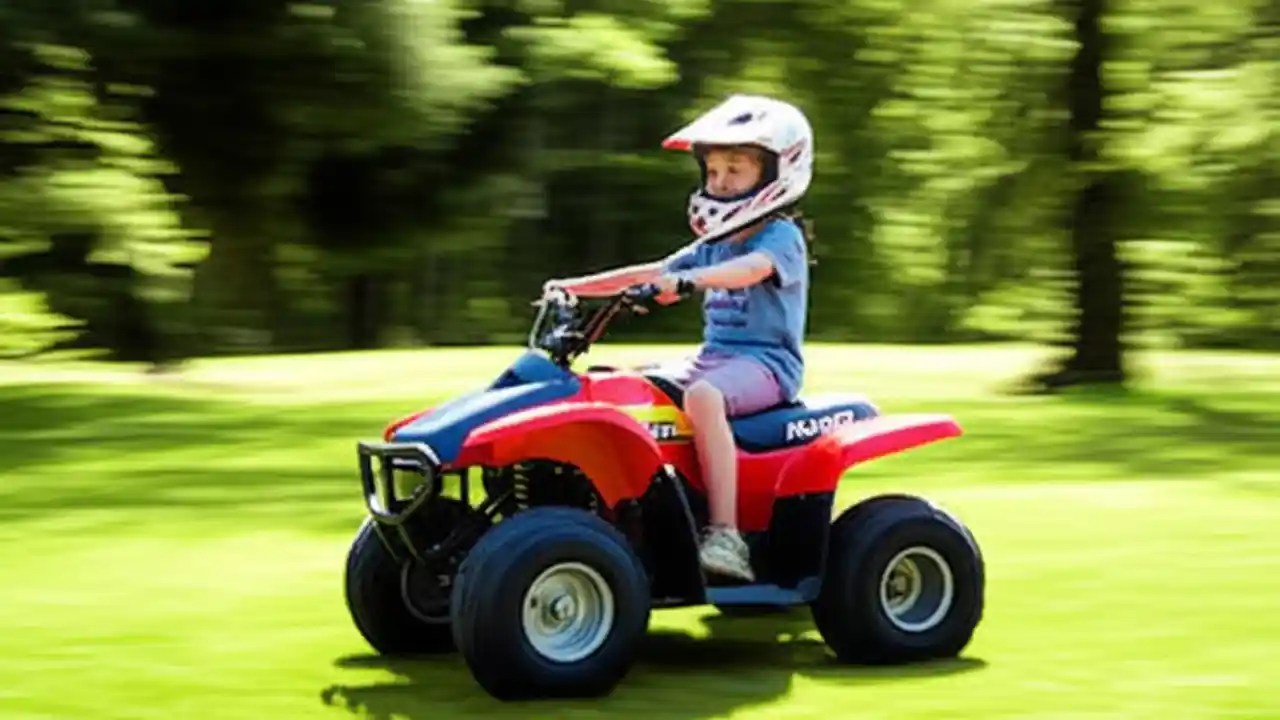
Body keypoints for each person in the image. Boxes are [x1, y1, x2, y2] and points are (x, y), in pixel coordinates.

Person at [543, 94, 815, 582]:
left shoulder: (779, 237)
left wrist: (690, 282)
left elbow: (749, 271)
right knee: (626, 387)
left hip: (768, 368)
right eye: (712, 172)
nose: (720, 182)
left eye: (735, 169)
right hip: (714, 358)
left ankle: (727, 537)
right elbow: (650, 271)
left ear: (776, 174)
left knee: (703, 398)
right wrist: (573, 287)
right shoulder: (710, 245)